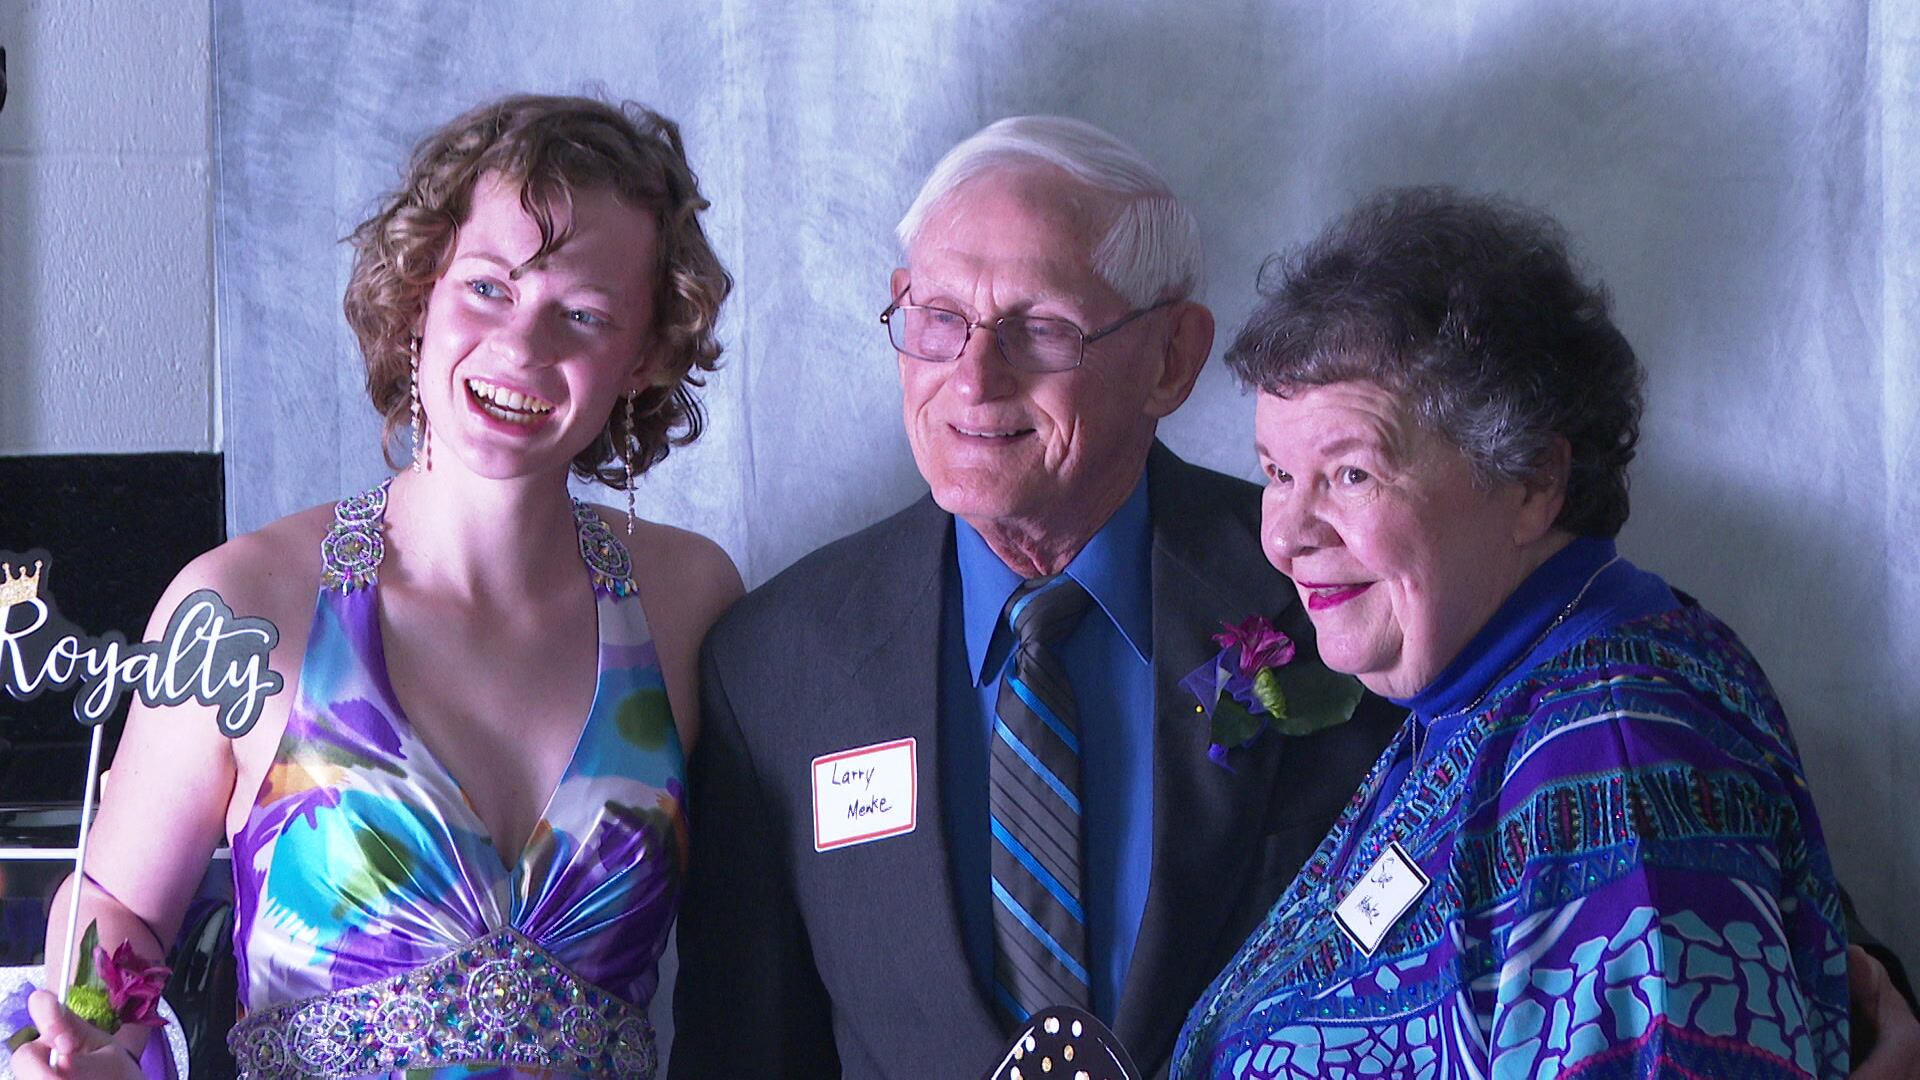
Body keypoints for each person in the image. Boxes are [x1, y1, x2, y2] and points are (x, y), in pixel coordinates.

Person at [9, 93, 741, 1079]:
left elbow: (763, 950)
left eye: (583, 313)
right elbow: (123, 911)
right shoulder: (243, 603)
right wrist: (86, 1039)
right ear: (418, 296)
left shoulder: (690, 600)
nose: (525, 346)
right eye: (488, 287)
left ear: (647, 354)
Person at [669, 116, 1404, 1079]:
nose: (974, 378)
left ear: (1173, 358)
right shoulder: (776, 663)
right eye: (938, 319)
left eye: (1043, 329)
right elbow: (745, 1057)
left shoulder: (1331, 600)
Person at [1172, 187, 1854, 1078]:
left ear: (1532, 480)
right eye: (1275, 472)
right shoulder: (1492, 687)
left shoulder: (1616, 758)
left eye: (1348, 473)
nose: (1285, 534)